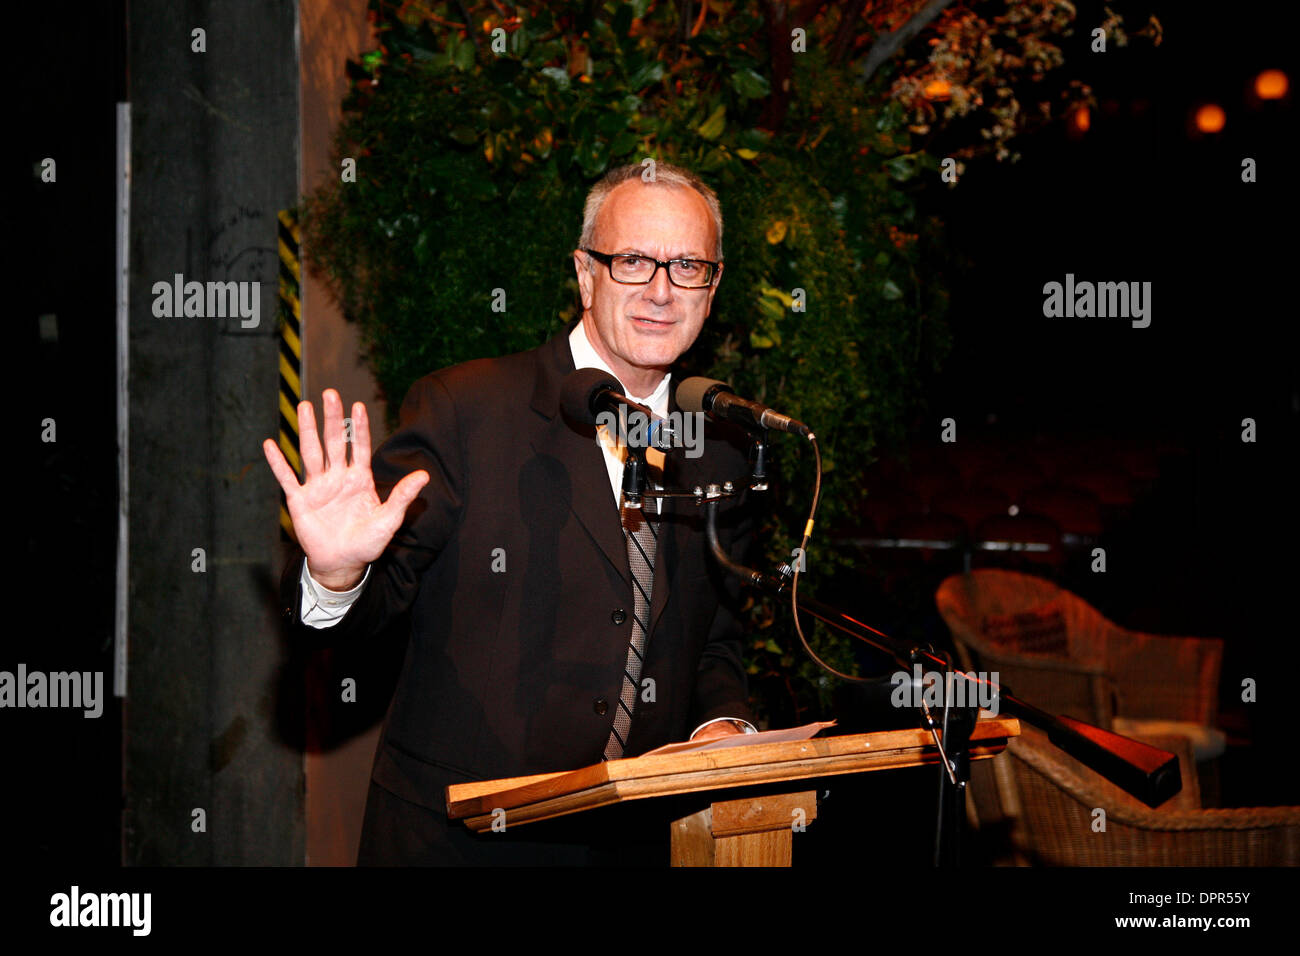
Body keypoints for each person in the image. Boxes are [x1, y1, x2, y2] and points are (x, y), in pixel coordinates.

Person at [263, 162, 758, 864]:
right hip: (458, 842)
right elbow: (376, 607)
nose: (660, 290)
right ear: (585, 274)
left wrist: (721, 724)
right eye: (634, 261)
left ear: (712, 288)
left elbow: (715, 640)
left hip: (636, 841)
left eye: (687, 266)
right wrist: (336, 575)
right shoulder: (468, 410)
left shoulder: (722, 449)